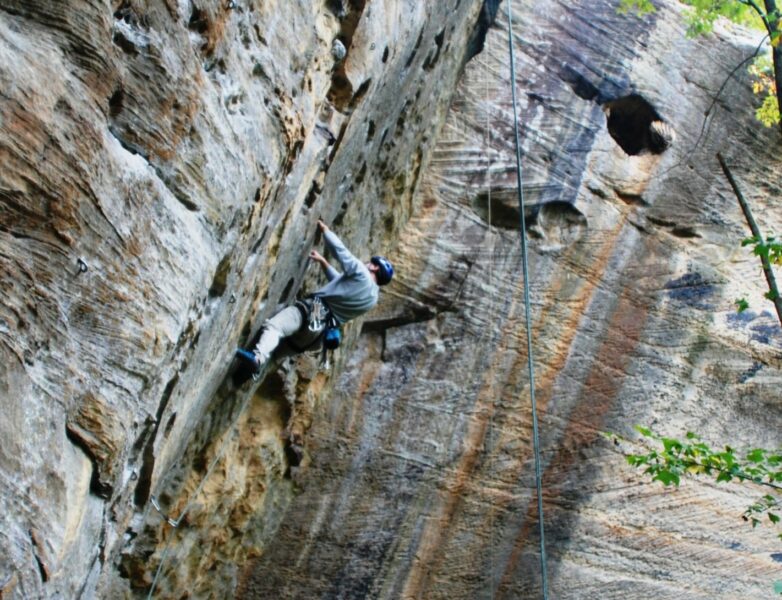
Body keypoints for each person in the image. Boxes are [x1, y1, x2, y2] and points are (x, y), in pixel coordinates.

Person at [235, 219, 393, 374]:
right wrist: (324, 263)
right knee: (277, 355)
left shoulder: (362, 273)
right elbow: (343, 287)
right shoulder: (372, 299)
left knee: (275, 327)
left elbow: (341, 251)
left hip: (314, 311)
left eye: (370, 263)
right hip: (318, 335)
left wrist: (325, 230)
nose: (367, 263)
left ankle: (256, 358)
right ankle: (243, 378)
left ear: (374, 266)